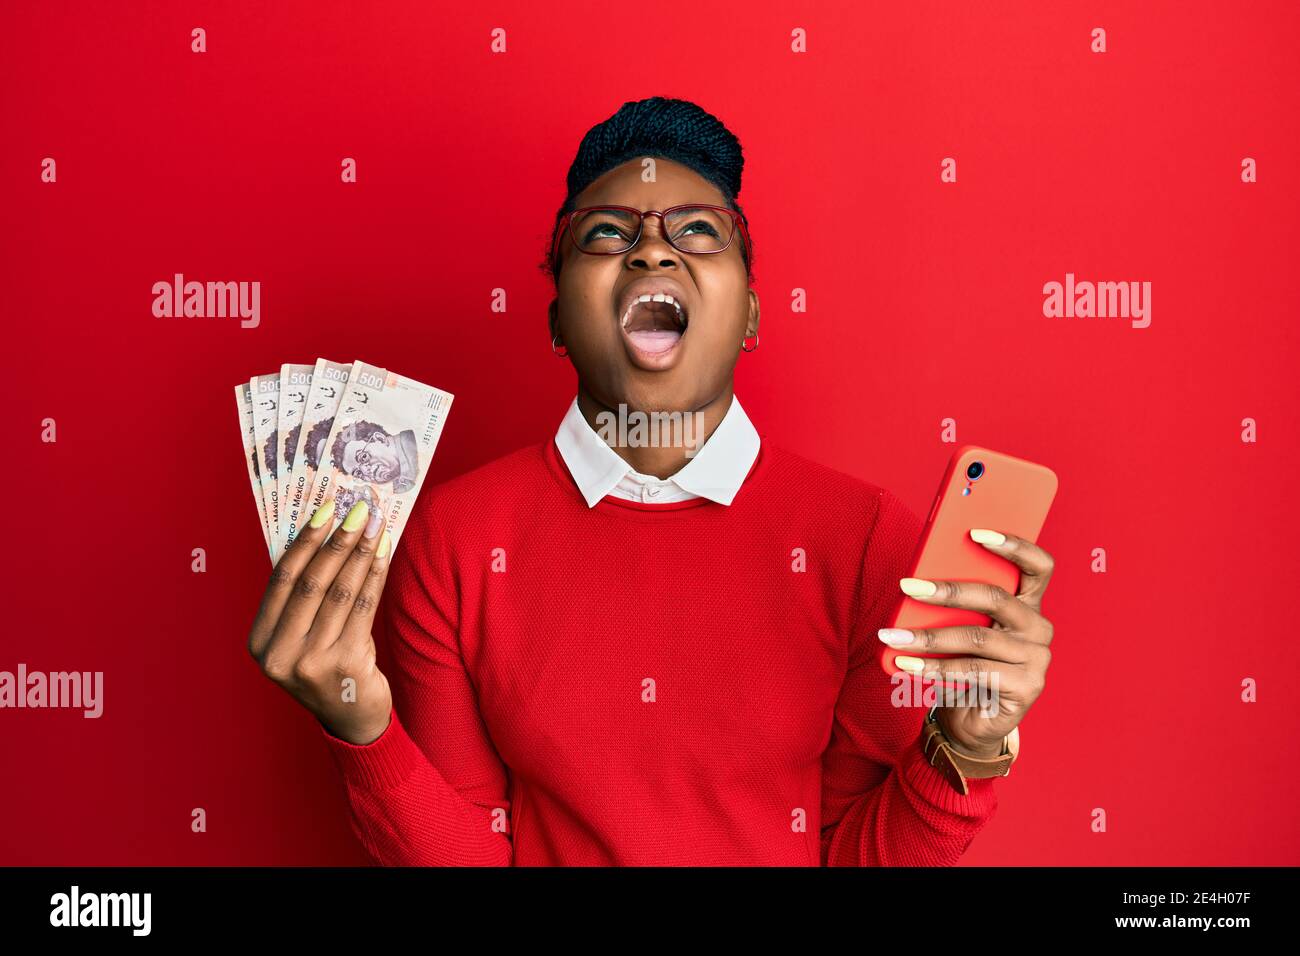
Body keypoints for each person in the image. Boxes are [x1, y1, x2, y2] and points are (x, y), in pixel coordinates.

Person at [246, 96, 1056, 866]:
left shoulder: (867, 539)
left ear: (749, 315)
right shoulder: (455, 541)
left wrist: (971, 745)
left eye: (700, 231)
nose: (652, 249)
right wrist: (361, 729)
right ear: (559, 318)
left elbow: (849, 850)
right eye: (605, 234)